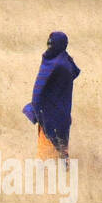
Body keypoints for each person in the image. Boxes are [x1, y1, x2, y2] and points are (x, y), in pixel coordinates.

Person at [22, 31, 80, 160]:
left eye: (51, 44)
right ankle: (62, 173)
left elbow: (38, 93)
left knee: (48, 156)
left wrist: (36, 108)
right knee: (60, 148)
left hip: (50, 115)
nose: (49, 47)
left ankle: (52, 176)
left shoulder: (56, 64)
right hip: (61, 113)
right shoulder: (66, 62)